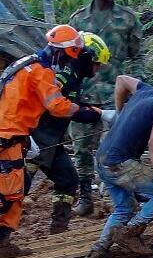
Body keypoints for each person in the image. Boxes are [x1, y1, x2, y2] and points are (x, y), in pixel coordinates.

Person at [0, 25, 105, 258]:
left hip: (3, 131)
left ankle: (1, 244)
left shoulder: (25, 62)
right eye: (71, 55)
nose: (70, 61)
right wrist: (89, 113)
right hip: (4, 134)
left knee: (17, 190)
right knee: (10, 193)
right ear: (65, 51)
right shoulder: (42, 72)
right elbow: (56, 106)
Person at [68, 0, 143, 217]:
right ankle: (85, 197)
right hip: (84, 94)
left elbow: (137, 57)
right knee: (81, 148)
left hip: (115, 95)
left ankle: (116, 199)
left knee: (112, 149)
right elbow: (69, 57)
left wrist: (136, 89)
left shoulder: (128, 19)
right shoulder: (78, 19)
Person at [81, 77, 153, 258]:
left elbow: (121, 80)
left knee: (124, 208)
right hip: (119, 163)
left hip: (102, 159)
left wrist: (119, 113)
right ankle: (129, 232)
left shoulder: (146, 90)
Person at [28, 32, 110, 233]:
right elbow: (57, 105)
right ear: (86, 58)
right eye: (96, 64)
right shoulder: (63, 76)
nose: (97, 69)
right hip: (34, 141)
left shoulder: (75, 77)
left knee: (68, 180)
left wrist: (97, 114)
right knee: (16, 189)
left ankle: (59, 228)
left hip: (51, 142)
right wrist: (96, 114)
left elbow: (73, 106)